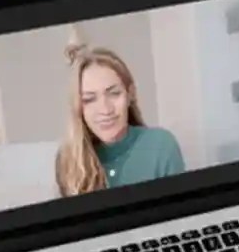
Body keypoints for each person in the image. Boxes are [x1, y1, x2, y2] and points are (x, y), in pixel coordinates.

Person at [55, 45, 185, 196]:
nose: (105, 109)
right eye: (89, 100)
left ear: (130, 94)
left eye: (114, 93)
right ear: (78, 108)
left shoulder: (161, 146)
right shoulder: (67, 159)